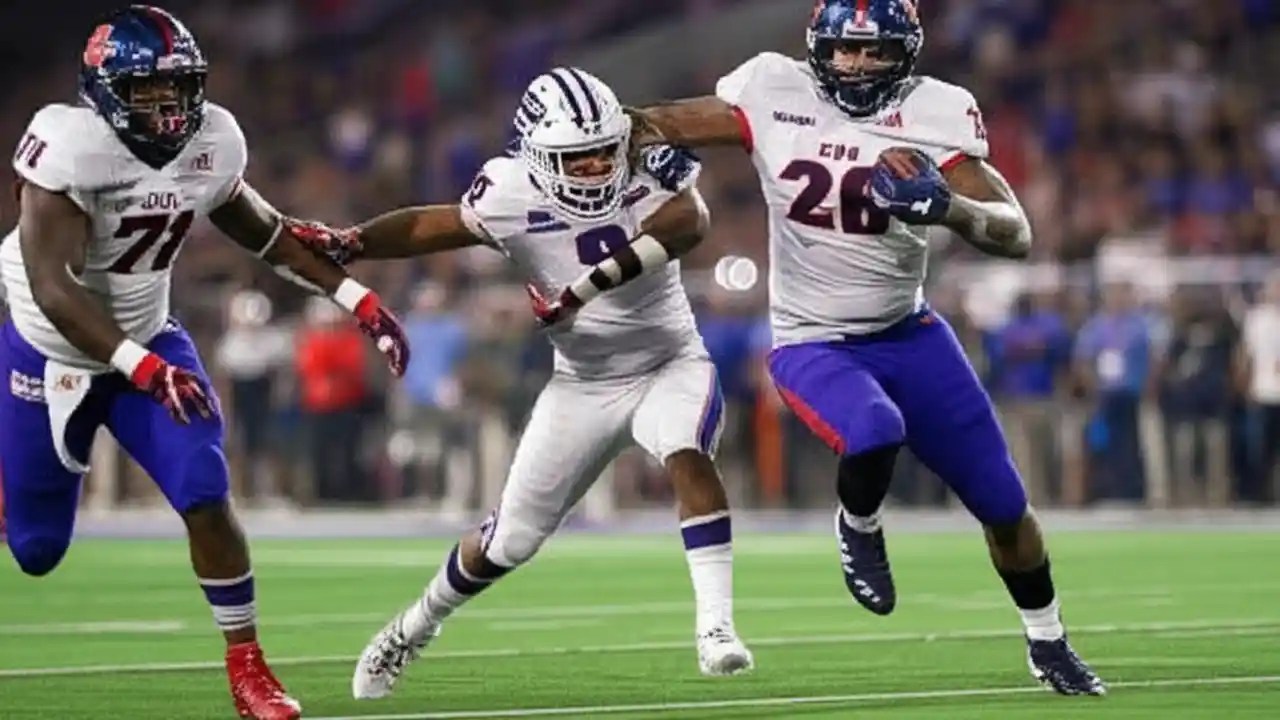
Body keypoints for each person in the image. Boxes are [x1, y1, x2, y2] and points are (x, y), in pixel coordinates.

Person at [627, 0, 1104, 695]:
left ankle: (1049, 642)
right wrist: (641, 144)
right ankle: (859, 522)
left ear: (905, 51)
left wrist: (948, 207)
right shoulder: (772, 87)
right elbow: (653, 121)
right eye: (844, 50)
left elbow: (1015, 230)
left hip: (911, 336)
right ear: (817, 45)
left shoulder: (937, 110)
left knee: (1005, 504)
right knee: (874, 427)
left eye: (874, 50)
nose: (855, 64)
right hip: (812, 340)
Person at [290, 66, 753, 699]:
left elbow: (688, 223)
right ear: (536, 155)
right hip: (582, 385)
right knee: (508, 541)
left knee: (687, 454)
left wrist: (585, 287)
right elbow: (440, 224)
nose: (594, 168)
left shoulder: (652, 163)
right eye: (576, 158)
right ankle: (413, 626)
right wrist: (359, 241)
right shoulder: (508, 190)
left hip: (670, 362)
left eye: (601, 152)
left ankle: (716, 629)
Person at [0, 7, 410, 719]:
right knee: (36, 551)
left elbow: (265, 232)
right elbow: (55, 288)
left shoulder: (212, 139)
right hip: (52, 346)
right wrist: (141, 369)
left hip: (149, 336)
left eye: (178, 88)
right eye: (147, 93)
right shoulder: (70, 145)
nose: (168, 108)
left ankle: (247, 666)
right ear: (101, 92)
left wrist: (358, 298)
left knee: (204, 487)